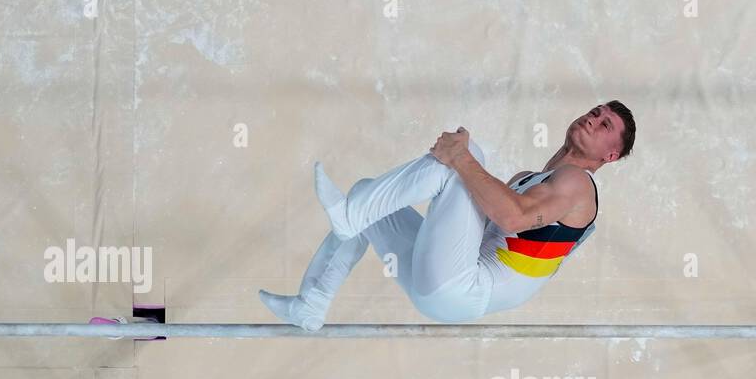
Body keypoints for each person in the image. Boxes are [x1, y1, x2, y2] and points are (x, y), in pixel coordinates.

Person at [258, 101, 635, 329]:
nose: (592, 118)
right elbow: (479, 223)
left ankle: (350, 216)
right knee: (368, 195)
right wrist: (461, 163)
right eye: (595, 112)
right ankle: (312, 303)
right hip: (446, 285)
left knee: (469, 161)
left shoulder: (579, 184)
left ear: (610, 156)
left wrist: (461, 156)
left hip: (463, 290)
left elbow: (514, 218)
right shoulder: (527, 179)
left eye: (605, 126)